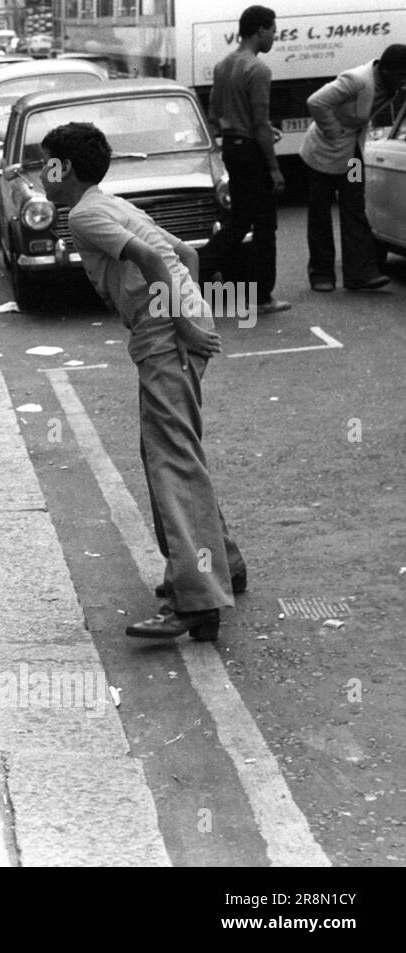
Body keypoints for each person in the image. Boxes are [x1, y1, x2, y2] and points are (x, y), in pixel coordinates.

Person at [41, 122, 246, 642]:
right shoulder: (109, 203)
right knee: (176, 450)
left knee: (170, 460)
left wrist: (180, 328)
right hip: (175, 325)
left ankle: (196, 602)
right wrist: (192, 315)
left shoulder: (87, 213)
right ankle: (222, 564)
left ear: (64, 169)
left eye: (47, 163)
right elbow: (189, 254)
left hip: (165, 334)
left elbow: (155, 259)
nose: (42, 174)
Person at [197, 5, 290, 316]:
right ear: (260, 30)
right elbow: (261, 124)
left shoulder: (223, 66)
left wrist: (238, 127)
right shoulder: (258, 70)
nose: (275, 36)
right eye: (273, 30)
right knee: (264, 225)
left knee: (238, 220)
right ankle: (262, 295)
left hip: (232, 148)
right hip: (251, 151)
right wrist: (274, 168)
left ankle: (194, 273)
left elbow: (214, 114)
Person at [299, 44, 406, 292]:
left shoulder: (389, 84)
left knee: (355, 207)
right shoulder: (356, 80)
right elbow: (315, 102)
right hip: (323, 154)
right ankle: (321, 273)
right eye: (401, 76)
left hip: (352, 157)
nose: (403, 82)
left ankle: (359, 273)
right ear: (388, 71)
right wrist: (333, 131)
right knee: (320, 212)